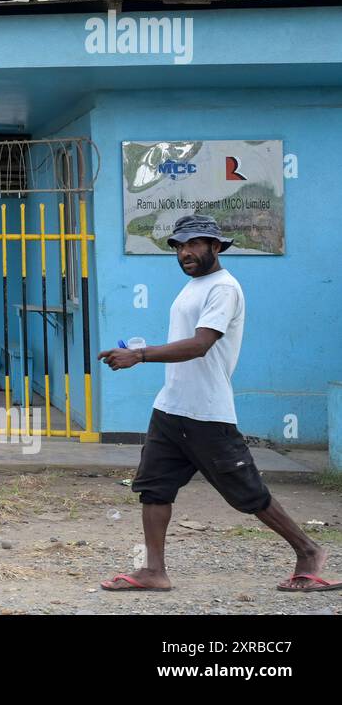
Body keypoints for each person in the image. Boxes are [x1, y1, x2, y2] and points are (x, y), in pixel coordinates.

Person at [96, 214, 338, 593]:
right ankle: (153, 571)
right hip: (171, 408)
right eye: (179, 246)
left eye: (194, 244)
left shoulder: (224, 288)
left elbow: (200, 344)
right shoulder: (193, 286)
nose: (186, 252)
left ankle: (309, 552)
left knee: (247, 493)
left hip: (207, 412)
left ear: (216, 246)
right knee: (154, 488)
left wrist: (140, 356)